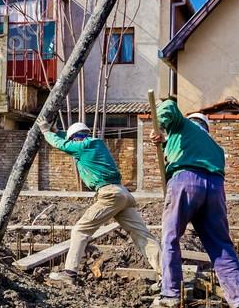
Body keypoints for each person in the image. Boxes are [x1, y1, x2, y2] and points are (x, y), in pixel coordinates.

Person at [150, 100, 239, 308]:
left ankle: (171, 294)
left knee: (171, 238)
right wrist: (163, 141)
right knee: (220, 244)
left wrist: (161, 125)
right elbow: (181, 147)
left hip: (186, 181)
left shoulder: (184, 126)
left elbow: (168, 106)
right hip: (215, 188)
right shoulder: (214, 146)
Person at [38, 119, 162, 285]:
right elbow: (67, 140)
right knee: (143, 236)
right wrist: (56, 130)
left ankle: (69, 274)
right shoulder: (93, 144)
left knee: (80, 231)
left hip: (109, 194)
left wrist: (46, 131)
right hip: (123, 194)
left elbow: (62, 145)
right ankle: (167, 275)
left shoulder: (82, 146)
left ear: (76, 138)